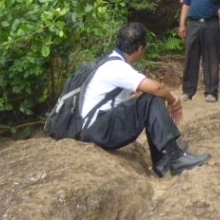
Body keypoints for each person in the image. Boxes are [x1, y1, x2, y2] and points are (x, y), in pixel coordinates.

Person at [80, 22, 211, 177]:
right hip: (99, 129)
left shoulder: (110, 62)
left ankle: (162, 162)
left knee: (150, 101)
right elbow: (157, 89)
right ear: (140, 48)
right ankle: (176, 157)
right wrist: (173, 100)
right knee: (151, 99)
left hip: (97, 127)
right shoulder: (117, 67)